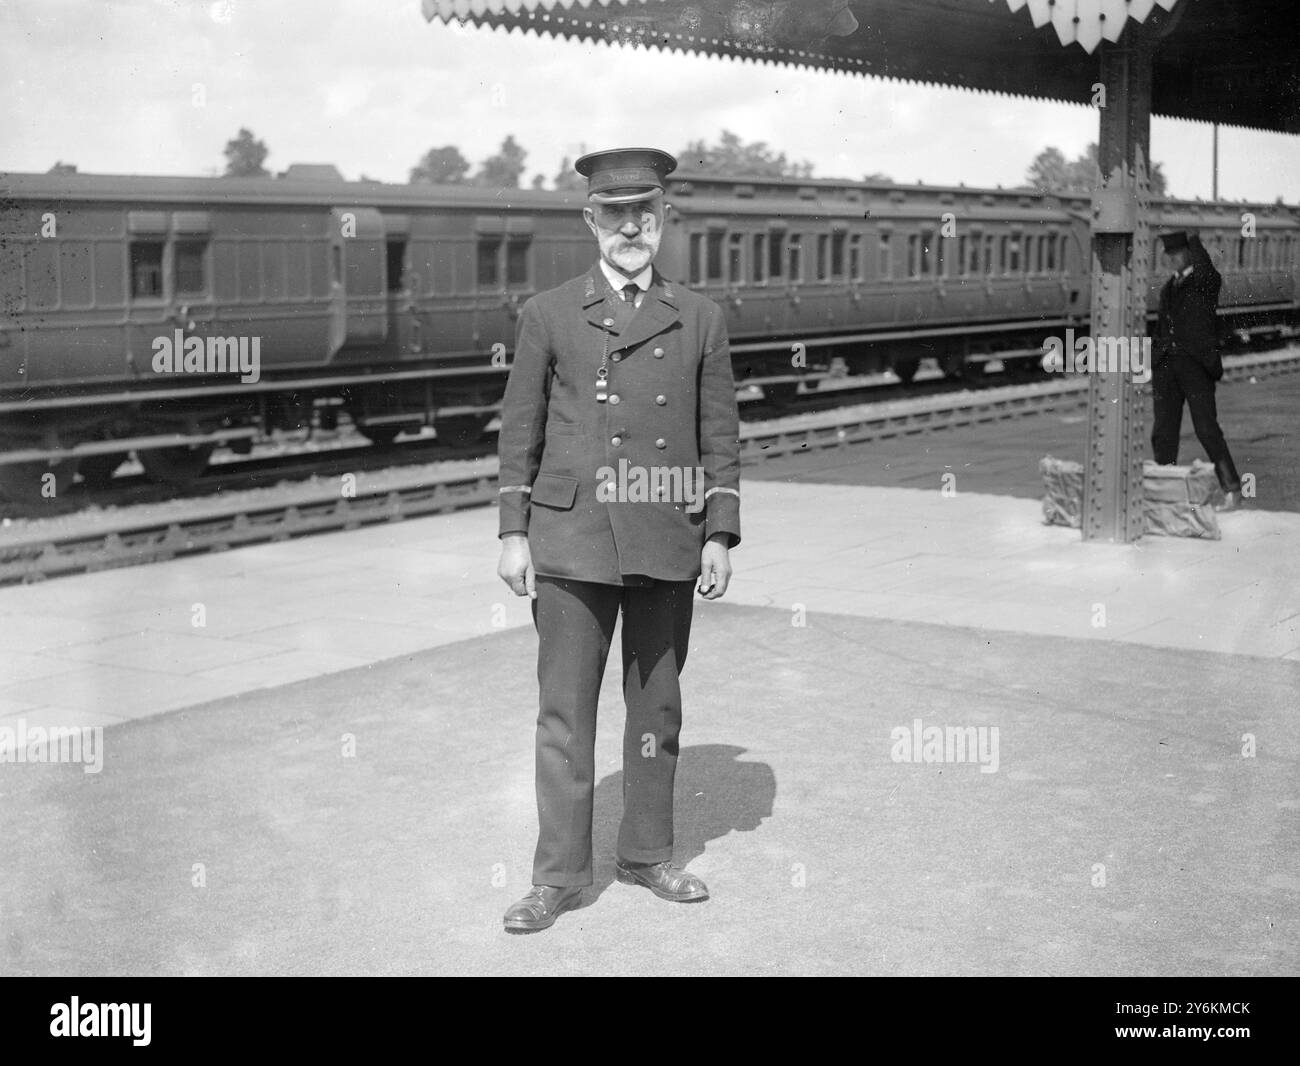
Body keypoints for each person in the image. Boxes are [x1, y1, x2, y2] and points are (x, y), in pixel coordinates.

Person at [495, 148, 741, 933]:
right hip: (571, 540)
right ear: (590, 220)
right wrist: (511, 531)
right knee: (563, 714)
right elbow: (519, 432)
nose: (630, 227)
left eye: (644, 213)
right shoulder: (549, 312)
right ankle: (558, 876)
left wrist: (720, 532)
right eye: (614, 213)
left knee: (656, 709)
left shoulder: (699, 316)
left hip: (667, 535)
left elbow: (720, 434)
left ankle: (646, 855)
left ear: (664, 218)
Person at [1150, 230, 1243, 511]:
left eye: (1178, 253)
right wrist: (1155, 361)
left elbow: (1206, 269)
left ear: (1190, 253)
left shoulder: (1205, 282)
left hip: (1195, 366)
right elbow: (1160, 328)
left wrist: (1194, 240)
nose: (1173, 259)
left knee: (1206, 429)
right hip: (1168, 367)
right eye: (1169, 255)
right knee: (1163, 431)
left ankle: (1232, 489)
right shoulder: (1169, 288)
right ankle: (1164, 493)